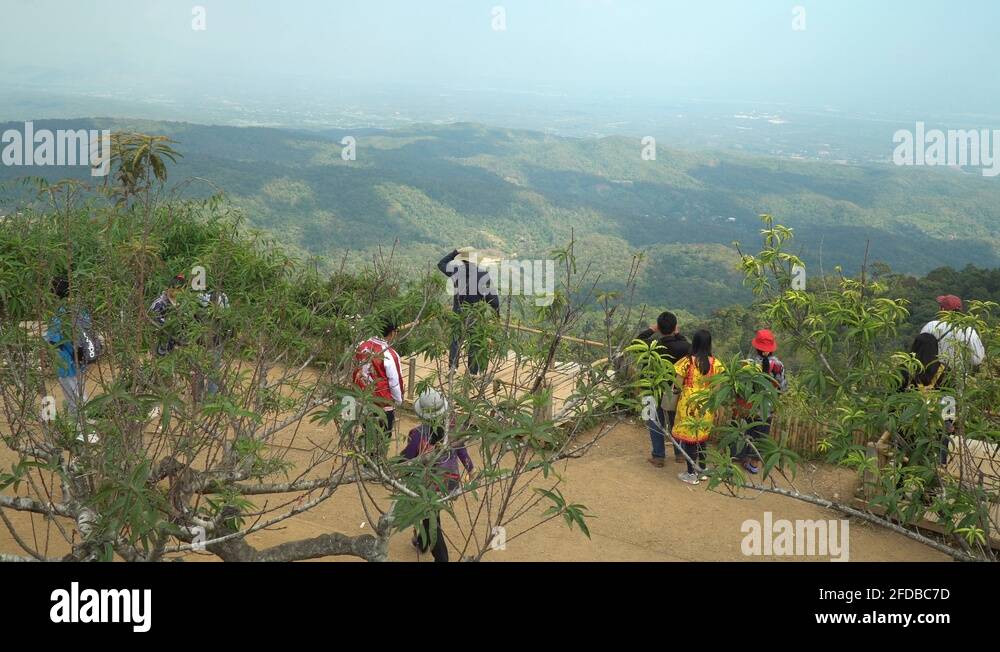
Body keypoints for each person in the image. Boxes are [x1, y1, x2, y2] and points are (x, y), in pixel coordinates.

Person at [401, 388, 474, 563]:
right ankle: (421, 542)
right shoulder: (452, 427)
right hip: (450, 481)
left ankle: (441, 558)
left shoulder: (418, 435)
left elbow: (406, 458)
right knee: (433, 513)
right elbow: (461, 448)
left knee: (430, 519)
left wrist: (392, 469)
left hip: (429, 484)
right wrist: (471, 468)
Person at [45, 276, 97, 439]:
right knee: (77, 394)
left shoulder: (62, 312)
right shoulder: (80, 308)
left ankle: (81, 426)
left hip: (68, 362)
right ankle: (78, 426)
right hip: (77, 360)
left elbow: (52, 339)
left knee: (75, 395)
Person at [635, 311, 690, 466]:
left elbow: (636, 342)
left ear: (659, 327)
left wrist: (651, 330)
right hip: (675, 389)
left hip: (652, 388)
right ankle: (680, 454)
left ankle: (658, 456)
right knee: (675, 421)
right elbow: (688, 346)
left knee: (653, 419)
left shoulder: (652, 347)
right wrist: (678, 335)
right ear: (675, 327)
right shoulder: (685, 346)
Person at [672, 330, 725, 485]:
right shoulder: (716, 364)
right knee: (701, 438)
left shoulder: (687, 362)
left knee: (689, 439)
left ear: (694, 342)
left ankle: (691, 473)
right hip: (706, 404)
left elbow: (676, 384)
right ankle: (702, 470)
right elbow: (717, 388)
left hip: (688, 403)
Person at [438, 247, 500, 375]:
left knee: (455, 339)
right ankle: (472, 372)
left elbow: (441, 264)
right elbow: (493, 299)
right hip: (475, 314)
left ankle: (452, 367)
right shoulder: (482, 275)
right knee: (474, 341)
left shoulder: (456, 271)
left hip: (458, 312)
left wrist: (455, 252)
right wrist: (496, 313)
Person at [733, 329, 787, 474]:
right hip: (766, 408)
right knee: (761, 436)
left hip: (747, 406)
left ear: (756, 347)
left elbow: (739, 387)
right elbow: (782, 388)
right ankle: (754, 464)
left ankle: (737, 456)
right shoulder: (778, 365)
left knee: (743, 431)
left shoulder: (748, 364)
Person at [898, 332, 952, 465]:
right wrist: (949, 422)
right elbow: (950, 398)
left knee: (906, 460)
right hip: (937, 424)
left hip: (910, 424)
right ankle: (936, 479)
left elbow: (896, 396)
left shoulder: (905, 369)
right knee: (937, 462)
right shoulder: (945, 370)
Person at [353, 320, 404, 452]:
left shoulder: (361, 346)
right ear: (392, 333)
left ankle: (366, 464)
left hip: (363, 398)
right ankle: (377, 466)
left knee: (367, 433)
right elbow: (395, 381)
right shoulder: (390, 354)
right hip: (382, 403)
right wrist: (398, 400)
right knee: (382, 438)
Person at [921, 294, 985, 375]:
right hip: (958, 380)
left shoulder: (931, 326)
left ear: (942, 309)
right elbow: (977, 360)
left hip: (930, 380)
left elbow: (920, 351)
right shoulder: (968, 331)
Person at [149, 274, 189, 357]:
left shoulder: (184, 305)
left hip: (178, 351)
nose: (175, 292)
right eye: (173, 288)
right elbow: (153, 324)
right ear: (168, 288)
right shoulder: (159, 304)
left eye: (179, 289)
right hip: (160, 349)